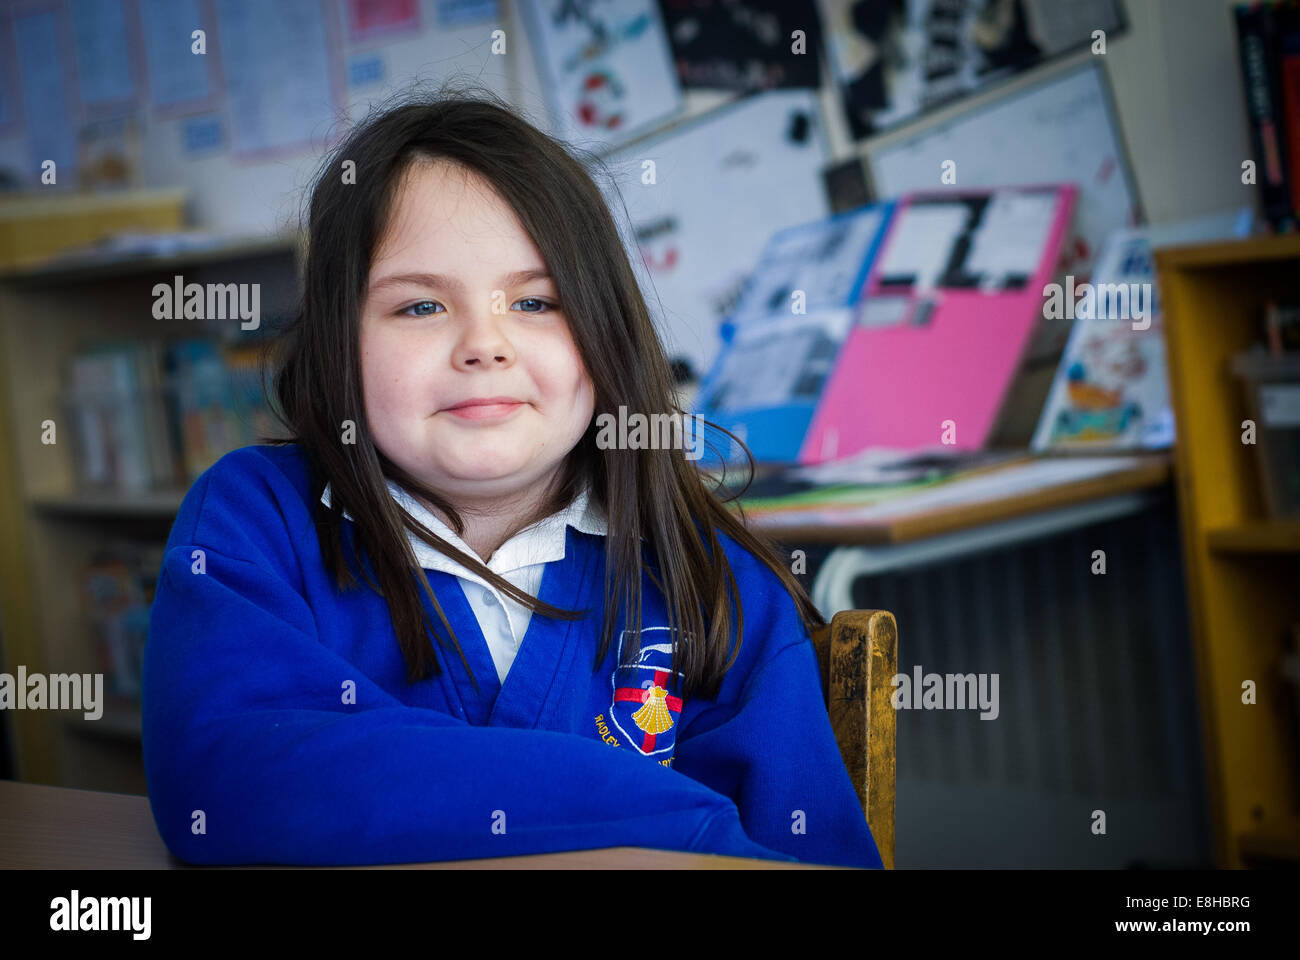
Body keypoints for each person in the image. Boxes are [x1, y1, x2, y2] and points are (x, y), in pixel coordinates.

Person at [142, 86, 884, 870]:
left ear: (605, 331)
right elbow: (231, 781)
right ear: (337, 342)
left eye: (534, 301)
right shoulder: (254, 521)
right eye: (421, 307)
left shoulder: (711, 578)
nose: (484, 345)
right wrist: (672, 826)